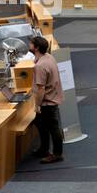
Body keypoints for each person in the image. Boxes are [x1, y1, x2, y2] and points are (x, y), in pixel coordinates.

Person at [31, 34, 64, 164]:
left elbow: (40, 89)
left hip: (47, 102)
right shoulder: (49, 57)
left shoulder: (40, 66)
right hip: (54, 96)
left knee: (53, 128)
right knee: (40, 124)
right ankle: (44, 149)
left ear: (36, 48)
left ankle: (57, 154)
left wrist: (37, 105)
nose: (30, 45)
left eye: (31, 44)